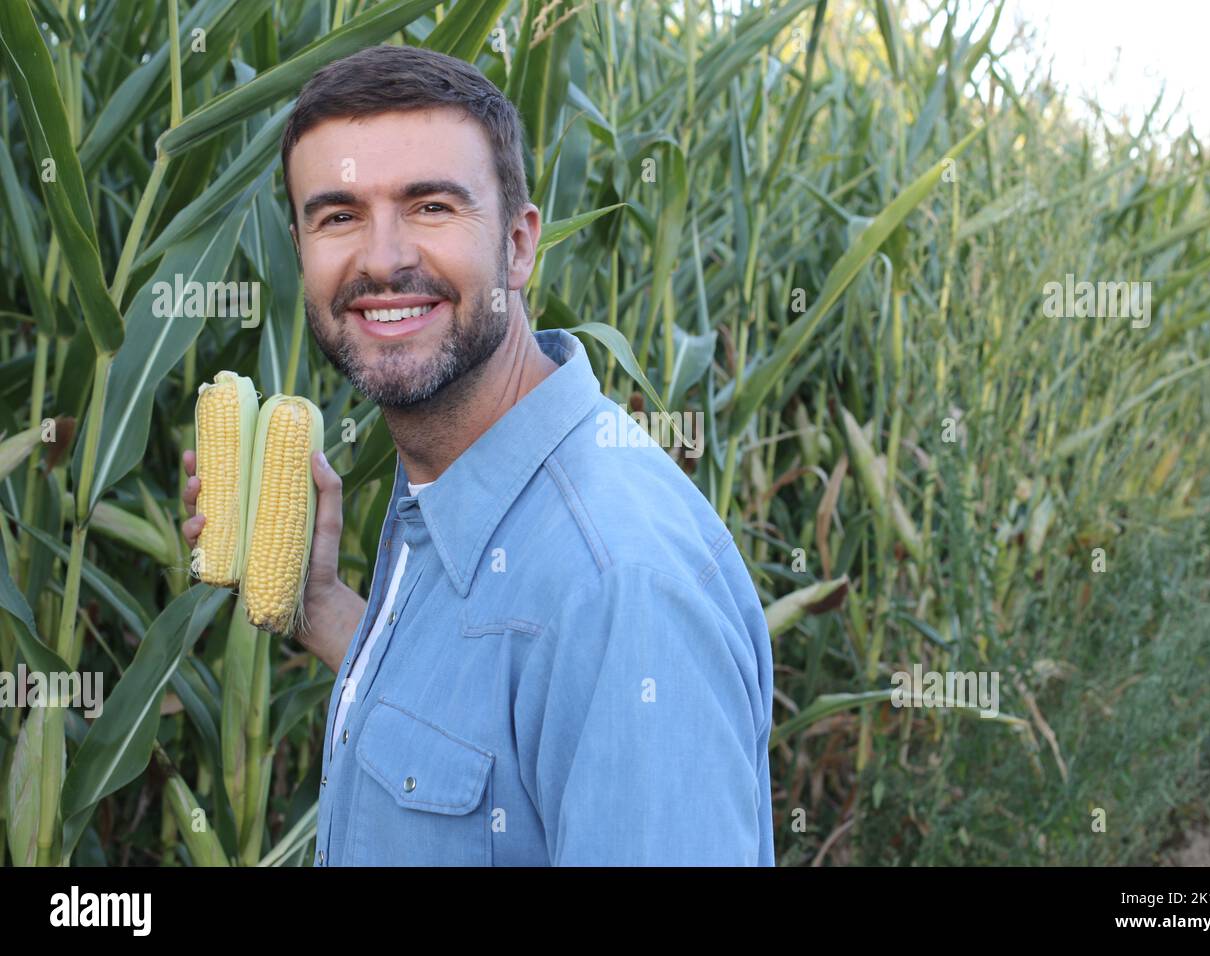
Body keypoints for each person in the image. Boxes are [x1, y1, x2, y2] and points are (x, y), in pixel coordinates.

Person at [181, 44, 774, 866]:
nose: (383, 259)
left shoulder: (622, 588)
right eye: (339, 215)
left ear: (521, 246)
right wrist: (317, 605)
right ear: (300, 250)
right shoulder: (456, 492)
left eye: (430, 206)